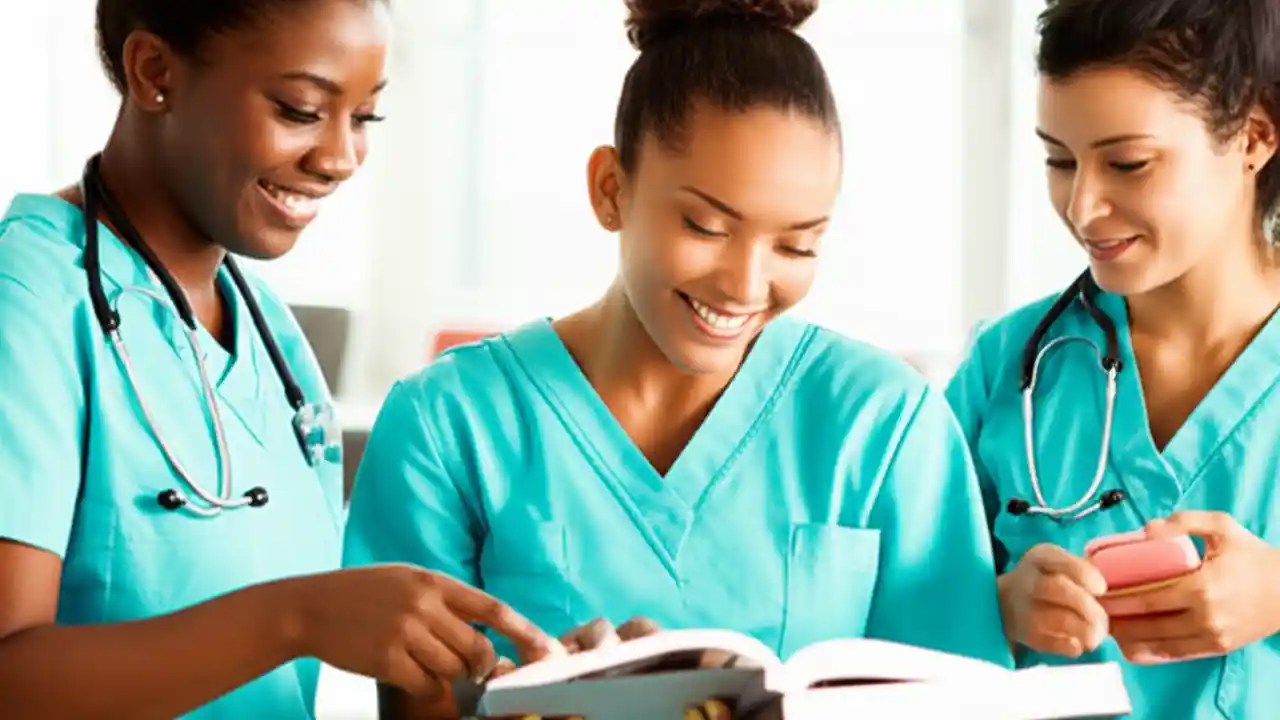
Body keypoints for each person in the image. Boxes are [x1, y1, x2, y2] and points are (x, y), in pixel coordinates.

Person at [343, 0, 1013, 715]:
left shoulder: (884, 422)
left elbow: (962, 701)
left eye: (796, 244)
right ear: (612, 190)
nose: (746, 284)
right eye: (706, 225)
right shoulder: (450, 423)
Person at [0, 2, 561, 718]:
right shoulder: (29, 302)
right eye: (301, 110)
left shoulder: (272, 336)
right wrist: (297, 618)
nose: (339, 158)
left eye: (363, 118)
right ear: (154, 72)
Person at [945, 0, 1280, 717]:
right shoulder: (1004, 368)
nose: (1084, 206)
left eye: (1128, 163)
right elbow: (891, 623)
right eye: (1059, 160)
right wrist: (998, 608)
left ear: (1253, 135)